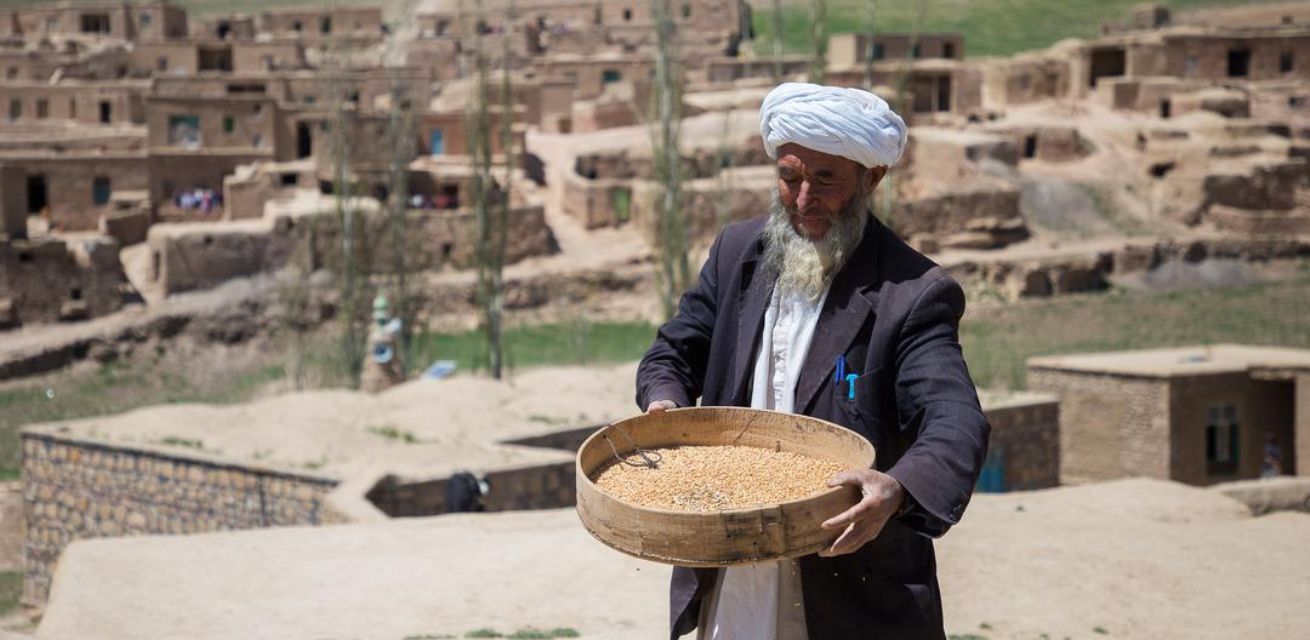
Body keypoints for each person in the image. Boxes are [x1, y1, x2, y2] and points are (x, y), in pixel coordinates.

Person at [635, 83, 991, 640]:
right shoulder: (738, 253)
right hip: (733, 564)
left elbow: (954, 419)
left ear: (871, 178)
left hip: (849, 586)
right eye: (790, 177)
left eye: (826, 180)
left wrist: (894, 490)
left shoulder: (912, 292)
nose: (803, 199)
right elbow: (675, 350)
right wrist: (666, 403)